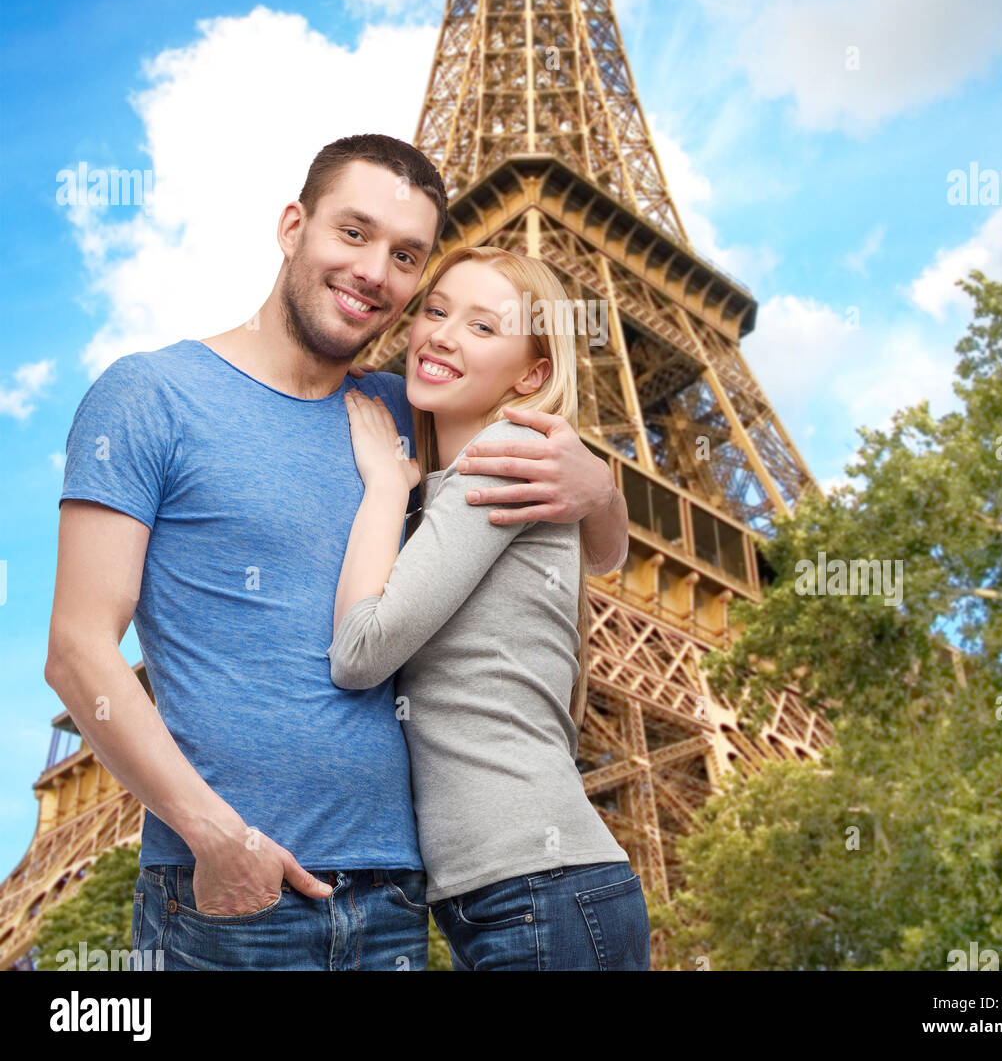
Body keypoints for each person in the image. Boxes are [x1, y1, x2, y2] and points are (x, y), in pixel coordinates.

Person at [45, 133, 629, 971]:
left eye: (405, 257)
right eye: (352, 233)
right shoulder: (150, 395)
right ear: (293, 226)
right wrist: (218, 839)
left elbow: (586, 550)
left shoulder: (411, 409)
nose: (374, 272)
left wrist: (599, 489)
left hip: (397, 895)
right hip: (234, 890)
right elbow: (77, 649)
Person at [328, 245, 651, 971]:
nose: (441, 334)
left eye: (482, 327)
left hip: (539, 891)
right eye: (435, 311)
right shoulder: (464, 483)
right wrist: (600, 496)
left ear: (532, 374)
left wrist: (384, 485)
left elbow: (358, 656)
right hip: (517, 894)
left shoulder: (501, 458)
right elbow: (603, 556)